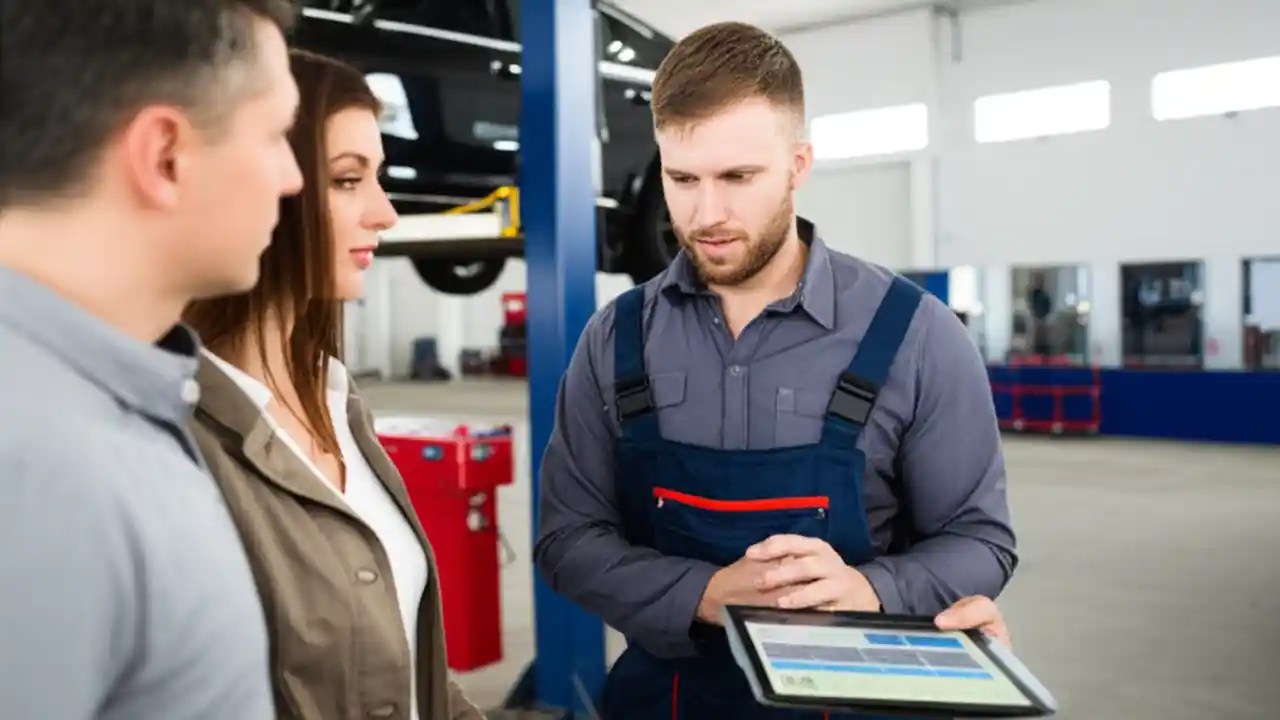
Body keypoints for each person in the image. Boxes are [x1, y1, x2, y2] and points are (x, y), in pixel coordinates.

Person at [533, 21, 1018, 718]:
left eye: (738, 177)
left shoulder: (915, 334)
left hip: (858, 698)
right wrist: (704, 594)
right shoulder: (614, 340)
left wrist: (870, 590)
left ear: (798, 164)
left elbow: (980, 539)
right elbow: (566, 539)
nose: (708, 214)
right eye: (683, 179)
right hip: (666, 700)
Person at [0, 1, 302, 718]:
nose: (292, 178)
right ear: (165, 155)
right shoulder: (34, 469)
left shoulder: (101, 400)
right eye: (277, 135)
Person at [182, 50, 482, 720]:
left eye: (378, 178)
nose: (385, 213)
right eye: (348, 181)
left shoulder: (337, 400)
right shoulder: (181, 439)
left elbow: (411, 672)